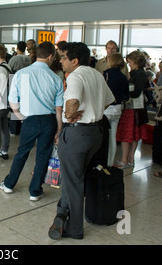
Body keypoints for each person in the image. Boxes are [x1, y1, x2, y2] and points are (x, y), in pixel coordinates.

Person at [48, 42, 115, 240]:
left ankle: (74, 228)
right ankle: (62, 212)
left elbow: (72, 102)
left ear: (74, 61)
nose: (61, 61)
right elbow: (109, 100)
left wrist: (70, 115)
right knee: (74, 177)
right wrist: (93, 109)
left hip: (78, 134)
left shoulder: (76, 76)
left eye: (64, 57)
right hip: (95, 132)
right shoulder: (96, 74)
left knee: (74, 181)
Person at [0, 41, 64, 201]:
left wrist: (21, 117)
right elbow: (59, 110)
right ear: (51, 56)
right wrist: (59, 130)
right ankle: (35, 191)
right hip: (49, 121)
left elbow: (13, 101)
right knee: (43, 155)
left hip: (29, 120)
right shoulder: (56, 78)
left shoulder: (22, 74)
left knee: (22, 152)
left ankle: (9, 184)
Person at [115, 51, 149, 168]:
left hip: (131, 108)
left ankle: (124, 159)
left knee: (126, 134)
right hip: (137, 108)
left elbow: (135, 92)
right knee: (134, 135)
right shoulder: (141, 73)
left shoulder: (137, 74)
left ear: (135, 62)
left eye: (130, 62)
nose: (129, 64)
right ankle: (130, 158)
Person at [102, 52, 129, 166]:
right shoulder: (124, 77)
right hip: (118, 109)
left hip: (106, 109)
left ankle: (103, 161)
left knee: (104, 137)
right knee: (113, 137)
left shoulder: (105, 74)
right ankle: (110, 162)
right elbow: (126, 96)